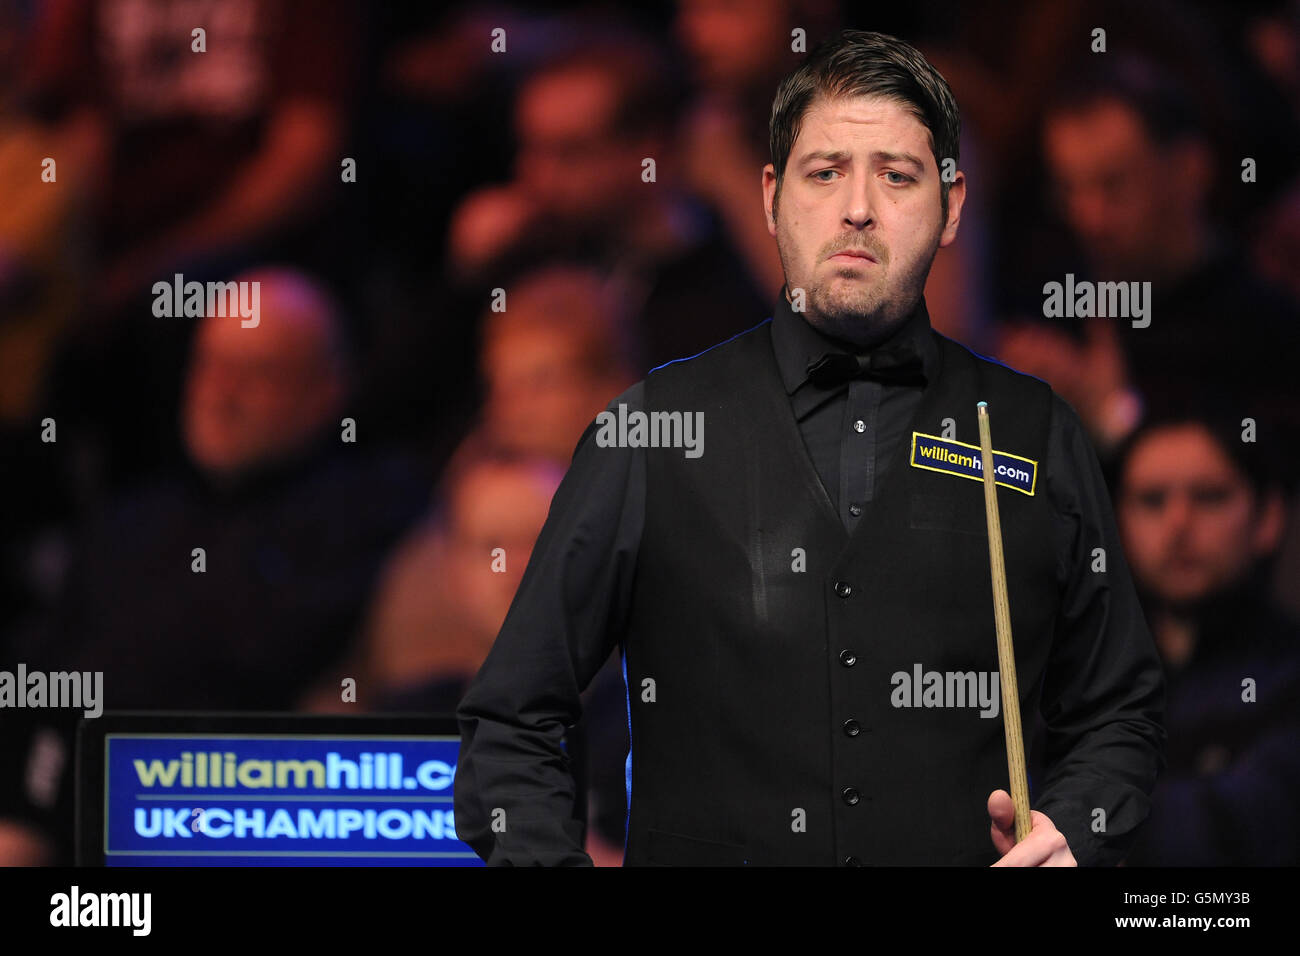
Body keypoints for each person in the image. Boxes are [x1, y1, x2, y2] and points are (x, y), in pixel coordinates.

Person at [454, 30, 1166, 867]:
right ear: (769, 197)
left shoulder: (1030, 431)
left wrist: (1076, 830)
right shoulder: (648, 430)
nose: (857, 208)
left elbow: (1121, 714)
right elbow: (509, 721)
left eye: (897, 177)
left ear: (953, 206)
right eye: (824, 173)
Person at [1112, 412, 1300, 865]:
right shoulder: (1082, 675)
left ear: (1269, 517)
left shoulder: (1289, 675)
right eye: (1153, 501)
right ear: (1118, 523)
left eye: (1210, 497)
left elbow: (1243, 828)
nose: (1178, 523)